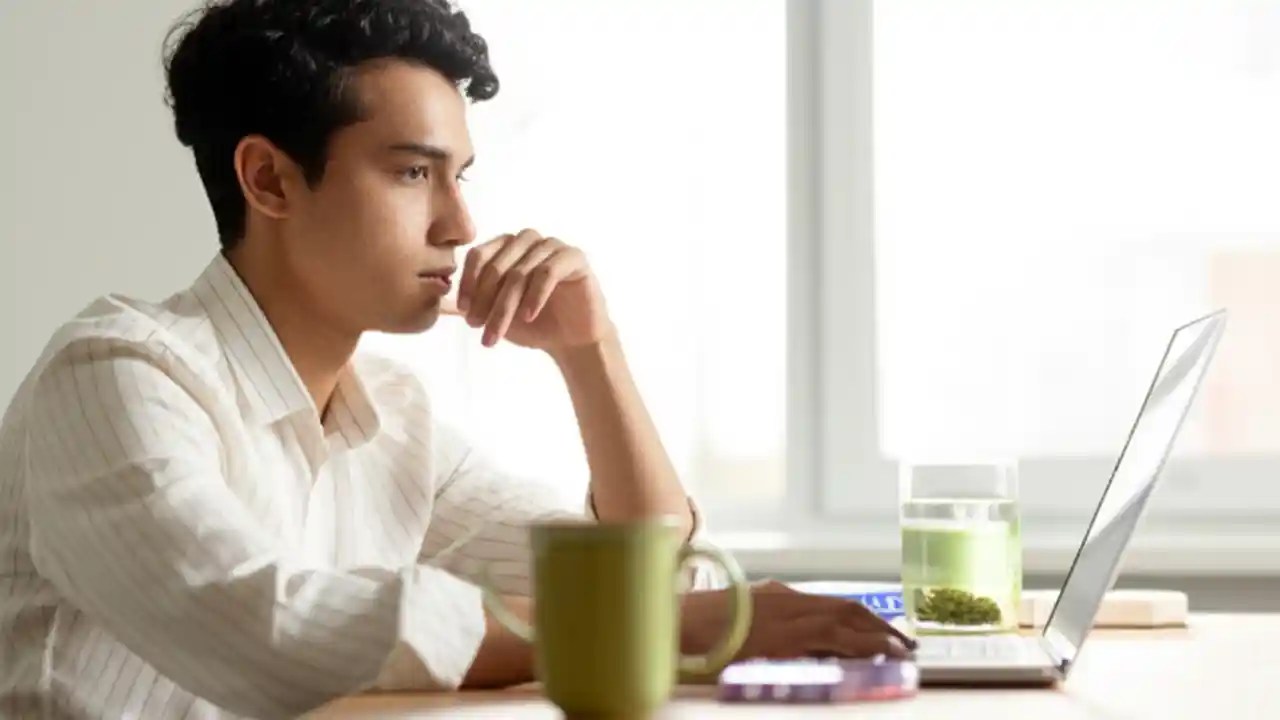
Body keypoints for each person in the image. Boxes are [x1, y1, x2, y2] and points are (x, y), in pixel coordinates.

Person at [0, 1, 912, 717]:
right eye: (411, 173)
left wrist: (592, 353)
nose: (460, 225)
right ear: (269, 179)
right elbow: (272, 632)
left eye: (459, 175)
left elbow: (661, 587)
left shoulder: (393, 420)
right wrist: (669, 627)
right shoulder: (116, 376)